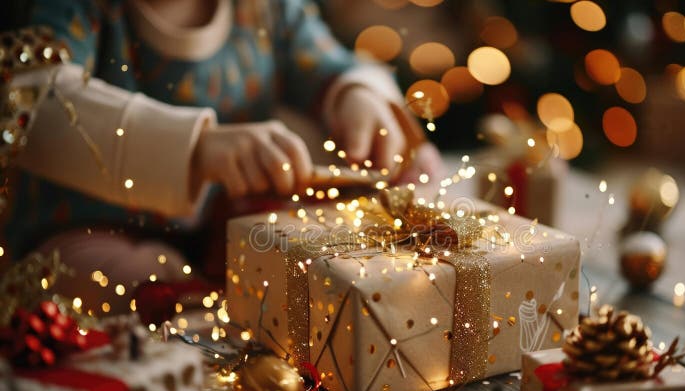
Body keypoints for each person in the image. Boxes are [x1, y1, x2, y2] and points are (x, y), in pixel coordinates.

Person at [0, 0, 442, 313]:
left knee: (305, 250)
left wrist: (356, 94)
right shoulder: (71, 8)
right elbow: (35, 106)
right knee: (95, 282)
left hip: (228, 228)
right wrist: (198, 148)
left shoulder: (270, 8)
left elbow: (331, 65)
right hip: (87, 230)